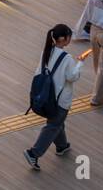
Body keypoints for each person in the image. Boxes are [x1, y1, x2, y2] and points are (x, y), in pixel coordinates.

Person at [24, 24, 87, 170]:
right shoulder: (67, 58)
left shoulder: (47, 51)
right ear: (64, 39)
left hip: (46, 97)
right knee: (53, 125)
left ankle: (62, 146)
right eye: (69, 37)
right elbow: (72, 77)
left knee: (57, 122)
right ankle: (33, 153)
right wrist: (80, 63)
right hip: (60, 100)